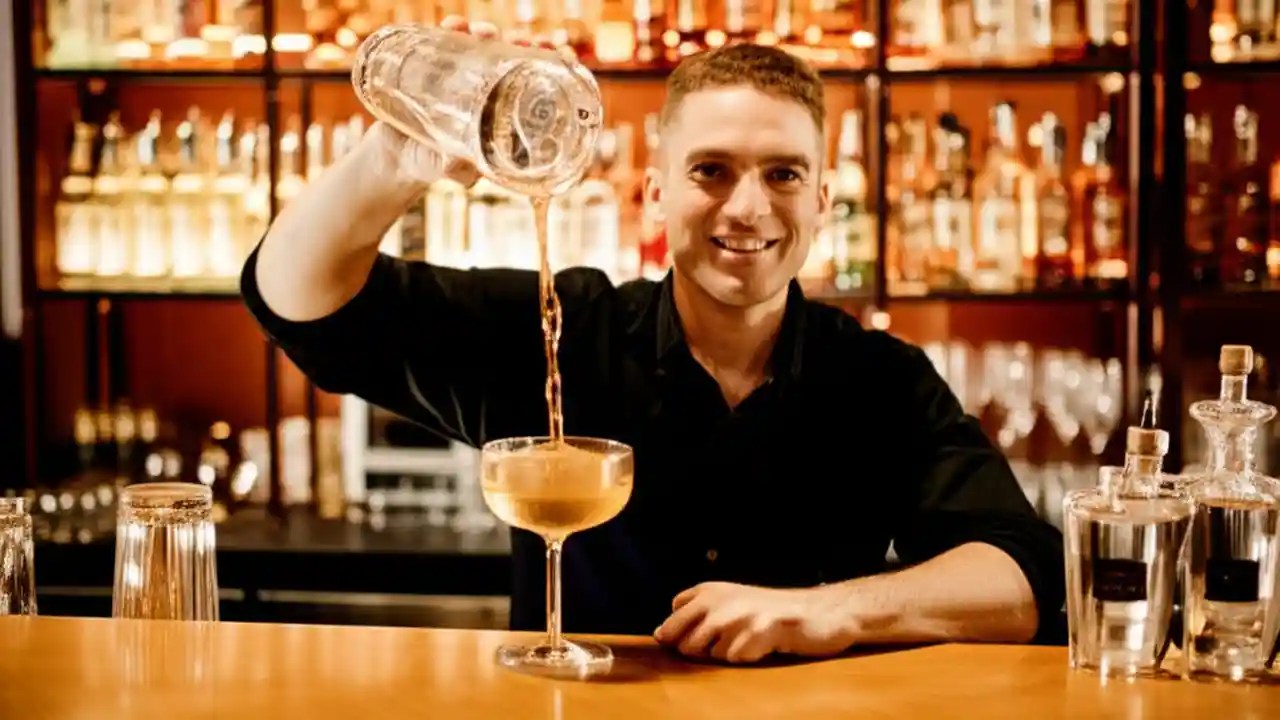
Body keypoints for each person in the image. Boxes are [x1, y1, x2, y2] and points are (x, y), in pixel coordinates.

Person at [242, 16, 1065, 665]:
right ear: (656, 194)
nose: (748, 208)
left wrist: (829, 611)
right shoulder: (561, 329)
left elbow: (1023, 578)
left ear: (822, 202)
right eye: (711, 171)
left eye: (782, 174)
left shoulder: (879, 378)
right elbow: (299, 303)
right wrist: (392, 159)